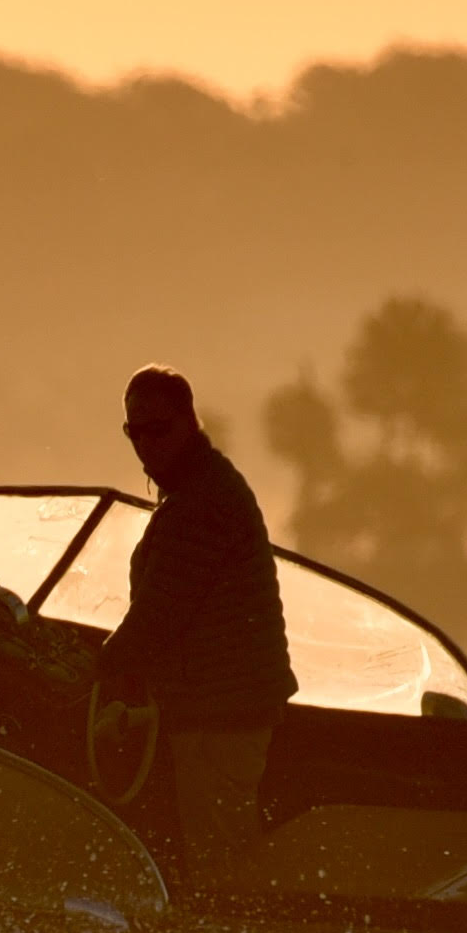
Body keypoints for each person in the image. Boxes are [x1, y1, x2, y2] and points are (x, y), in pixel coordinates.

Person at [99, 365, 294, 884]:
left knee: (221, 857)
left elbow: (160, 615)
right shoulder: (194, 489)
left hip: (224, 711)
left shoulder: (202, 501)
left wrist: (94, 669)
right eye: (133, 433)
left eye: (158, 430)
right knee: (213, 847)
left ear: (188, 421)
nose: (145, 445)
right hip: (213, 706)